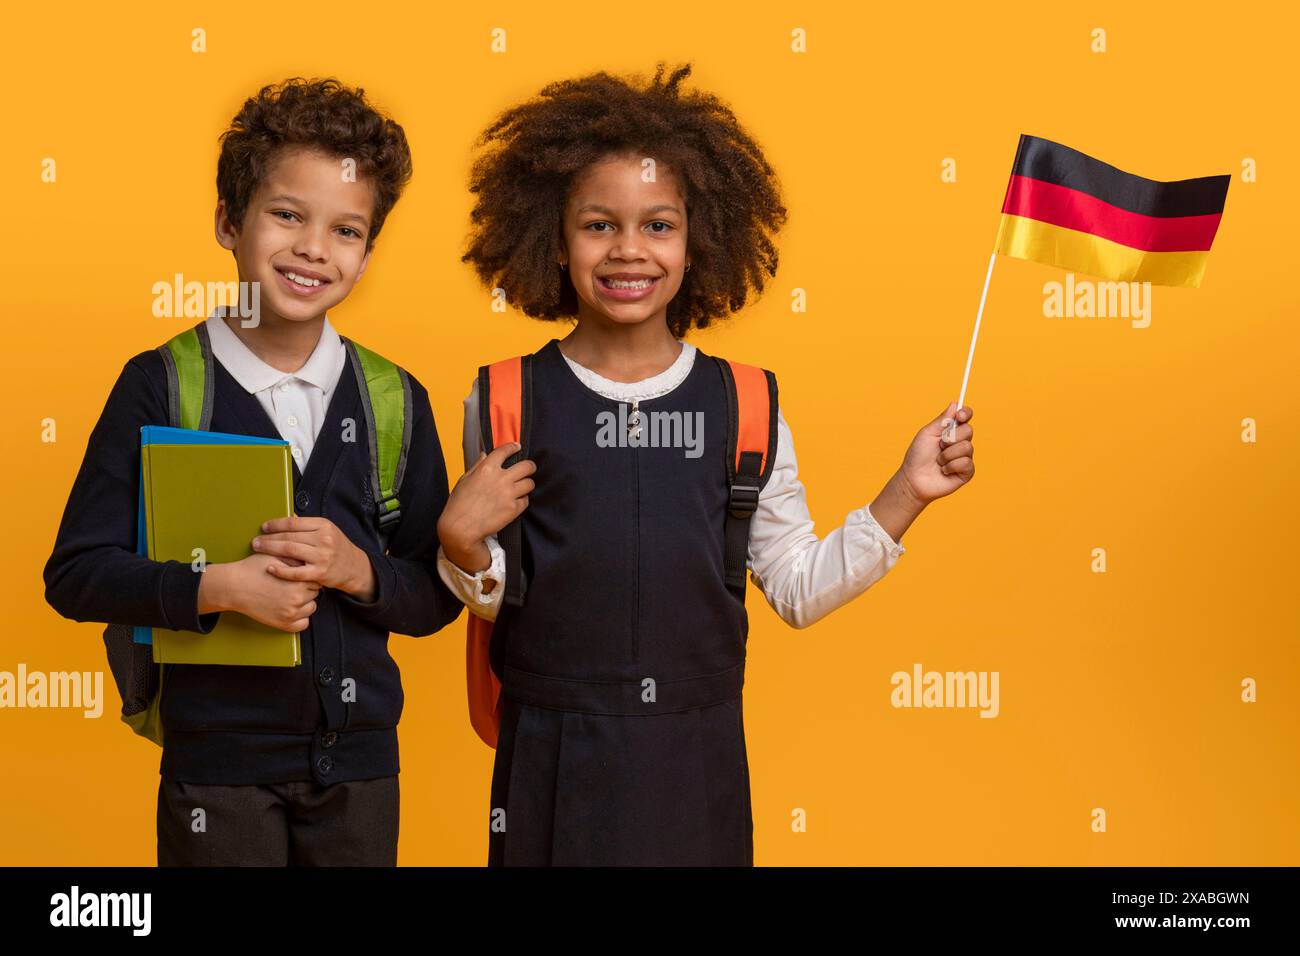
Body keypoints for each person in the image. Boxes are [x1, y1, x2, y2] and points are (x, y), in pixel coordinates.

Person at [436, 63, 976, 865]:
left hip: (696, 764)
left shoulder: (747, 405)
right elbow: (496, 601)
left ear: (699, 240)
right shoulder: (506, 397)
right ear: (553, 237)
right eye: (597, 225)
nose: (628, 250)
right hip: (550, 756)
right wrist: (461, 545)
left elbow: (795, 587)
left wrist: (909, 491)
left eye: (659, 225)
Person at [43, 77, 462, 866]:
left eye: (346, 230)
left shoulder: (394, 400)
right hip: (216, 775)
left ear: (369, 252)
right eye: (286, 215)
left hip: (362, 773)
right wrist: (216, 589)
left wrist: (358, 572)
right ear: (228, 222)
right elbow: (75, 574)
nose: (313, 248)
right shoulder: (160, 384)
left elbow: (434, 593)